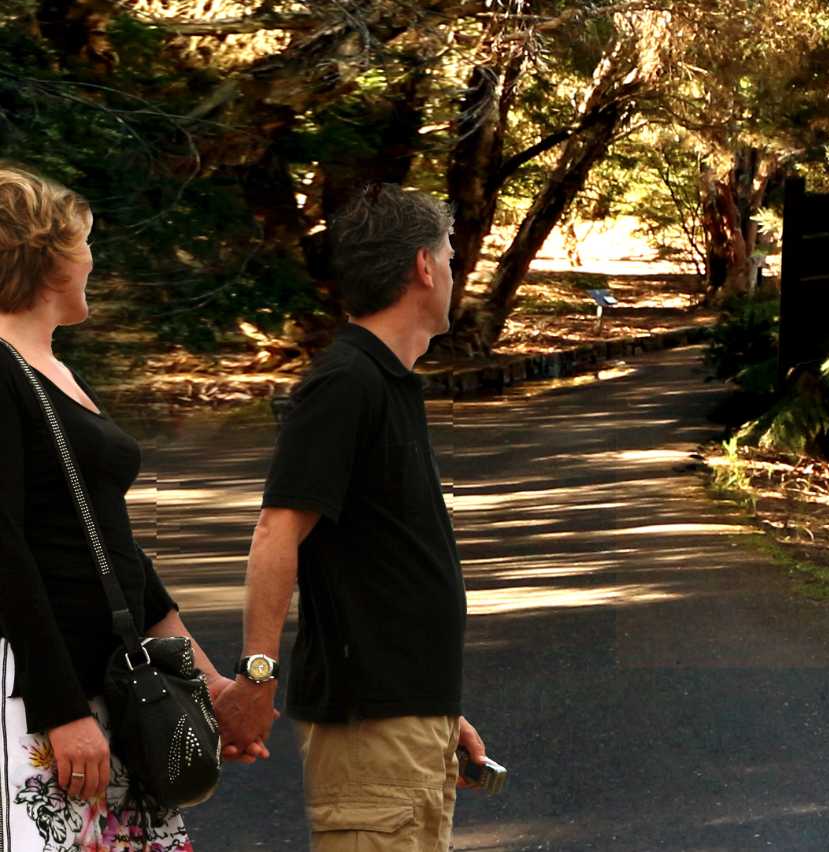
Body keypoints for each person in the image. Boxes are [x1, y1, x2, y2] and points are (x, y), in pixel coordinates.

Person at [217, 189, 492, 852]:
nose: (453, 272)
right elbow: (277, 531)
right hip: (371, 729)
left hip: (407, 719)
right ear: (423, 266)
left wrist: (434, 708)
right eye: (450, 257)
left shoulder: (388, 381)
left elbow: (384, 561)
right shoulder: (346, 382)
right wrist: (256, 677)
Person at [0, 165, 245, 851]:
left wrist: (207, 683)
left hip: (112, 696)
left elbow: (114, 552)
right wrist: (61, 711)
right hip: (44, 708)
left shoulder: (54, 370)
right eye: (85, 243)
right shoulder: (1, 370)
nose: (93, 259)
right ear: (48, 257)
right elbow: (4, 551)